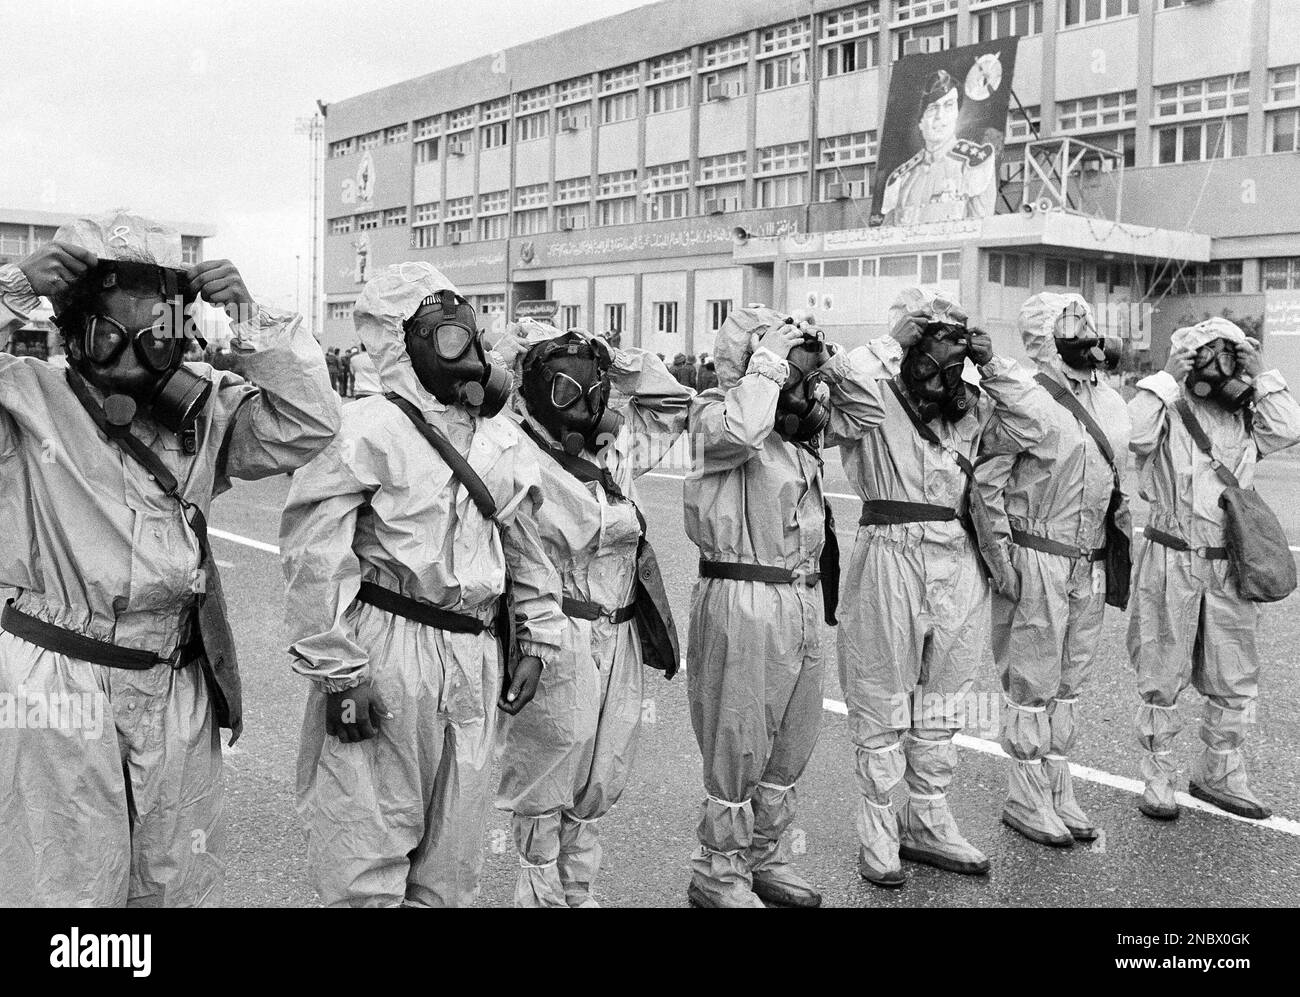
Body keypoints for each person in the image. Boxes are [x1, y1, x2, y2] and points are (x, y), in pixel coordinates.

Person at [0, 212, 339, 906]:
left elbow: (311, 421)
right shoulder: (26, 399)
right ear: (72, 327)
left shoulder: (203, 412)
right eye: (107, 328)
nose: (129, 351)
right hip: (56, 684)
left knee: (175, 883)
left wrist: (250, 317)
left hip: (172, 680)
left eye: (156, 329)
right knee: (64, 892)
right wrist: (11, 288)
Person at [281, 262, 565, 907]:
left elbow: (524, 544)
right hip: (388, 651)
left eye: (472, 333)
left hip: (475, 651)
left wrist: (538, 637)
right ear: (401, 340)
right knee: (366, 849)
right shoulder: (364, 429)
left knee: (454, 861)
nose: (466, 351)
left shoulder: (497, 436)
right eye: (447, 338)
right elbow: (313, 553)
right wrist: (339, 673)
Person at [837, 286, 1051, 887]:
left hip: (959, 557)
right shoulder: (872, 396)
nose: (940, 372)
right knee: (882, 693)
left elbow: (1038, 423)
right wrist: (891, 343)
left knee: (944, 697)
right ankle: (878, 830)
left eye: (950, 353)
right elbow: (838, 384)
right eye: (927, 348)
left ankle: (926, 819)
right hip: (888, 554)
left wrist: (992, 363)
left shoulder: (975, 405)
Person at [685, 306, 885, 907]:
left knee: (790, 743)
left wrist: (828, 362)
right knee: (738, 742)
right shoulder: (715, 414)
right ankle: (717, 871)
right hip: (741, 596)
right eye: (783, 368)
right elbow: (739, 432)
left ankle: (764, 856)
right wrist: (769, 366)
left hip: (797, 596)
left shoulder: (798, 437)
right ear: (754, 366)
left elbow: (870, 413)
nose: (800, 388)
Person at [494, 319, 692, 907]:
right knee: (548, 773)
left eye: (592, 390)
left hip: (621, 630)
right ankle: (538, 897)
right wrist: (518, 353)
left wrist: (615, 358)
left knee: (601, 773)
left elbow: (672, 402)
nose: (581, 405)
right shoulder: (510, 449)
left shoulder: (614, 450)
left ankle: (579, 893)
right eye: (562, 390)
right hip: (557, 635)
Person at [1128, 317, 1300, 822]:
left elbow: (1290, 428)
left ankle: (1220, 773)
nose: (1219, 366)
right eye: (1207, 356)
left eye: (1228, 355)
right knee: (1161, 671)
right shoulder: (1167, 410)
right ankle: (1157, 776)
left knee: (1234, 673)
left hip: (1228, 562)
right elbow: (1133, 437)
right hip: (1172, 556)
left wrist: (1262, 372)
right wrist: (1164, 377)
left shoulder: (1243, 417)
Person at [977, 294, 1131, 847]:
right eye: (1072, 321)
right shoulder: (1027, 398)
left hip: (1087, 561)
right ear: (1045, 334)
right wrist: (1001, 560)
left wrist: (1117, 546)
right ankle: (1024, 793)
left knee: (1071, 681)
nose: (1088, 330)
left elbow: (1118, 480)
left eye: (1089, 319)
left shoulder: (1110, 399)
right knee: (1032, 677)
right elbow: (987, 481)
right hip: (1037, 554)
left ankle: (1059, 785)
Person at [880, 69, 996, 227]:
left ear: (957, 114)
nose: (940, 116)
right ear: (920, 122)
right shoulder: (902, 177)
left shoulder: (974, 163)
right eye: (932, 108)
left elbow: (982, 227)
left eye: (948, 106)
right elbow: (886, 236)